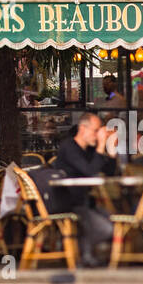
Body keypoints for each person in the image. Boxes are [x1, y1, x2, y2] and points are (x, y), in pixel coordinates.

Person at [51, 112, 118, 266]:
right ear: (83, 129)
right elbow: (90, 172)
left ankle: (83, 253)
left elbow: (109, 172)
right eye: (95, 131)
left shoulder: (89, 150)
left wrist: (111, 151)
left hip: (85, 202)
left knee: (114, 226)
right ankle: (72, 248)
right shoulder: (69, 147)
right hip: (68, 203)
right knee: (106, 229)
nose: (97, 135)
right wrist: (101, 145)